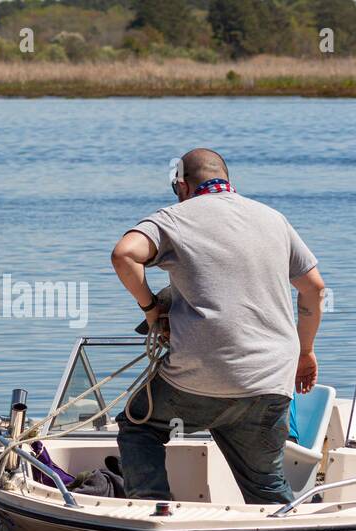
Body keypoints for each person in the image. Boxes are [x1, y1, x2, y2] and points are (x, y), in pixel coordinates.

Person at [110, 148, 326, 504]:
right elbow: (315, 289)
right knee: (266, 486)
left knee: (138, 426)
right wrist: (306, 352)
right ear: (229, 181)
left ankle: (153, 511)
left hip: (198, 376)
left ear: (181, 185)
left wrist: (151, 308)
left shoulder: (174, 218)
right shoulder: (273, 218)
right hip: (270, 378)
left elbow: (124, 255)